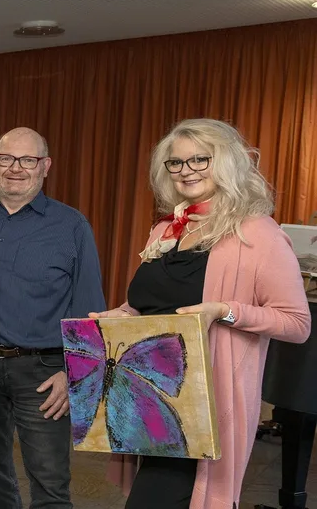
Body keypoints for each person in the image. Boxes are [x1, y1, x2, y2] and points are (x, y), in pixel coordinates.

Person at [93, 118, 309, 509]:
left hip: (203, 404)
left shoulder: (258, 233)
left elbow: (297, 323)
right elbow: (153, 304)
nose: (186, 170)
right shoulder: (167, 229)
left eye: (200, 159)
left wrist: (225, 311)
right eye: (176, 162)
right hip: (151, 397)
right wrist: (122, 316)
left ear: (226, 161)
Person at [0, 126, 105, 509]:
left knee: (49, 483)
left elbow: (89, 308)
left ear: (45, 166)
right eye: (6, 159)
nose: (16, 168)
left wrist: (73, 373)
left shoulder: (71, 226)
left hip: (44, 375)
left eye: (28, 160)